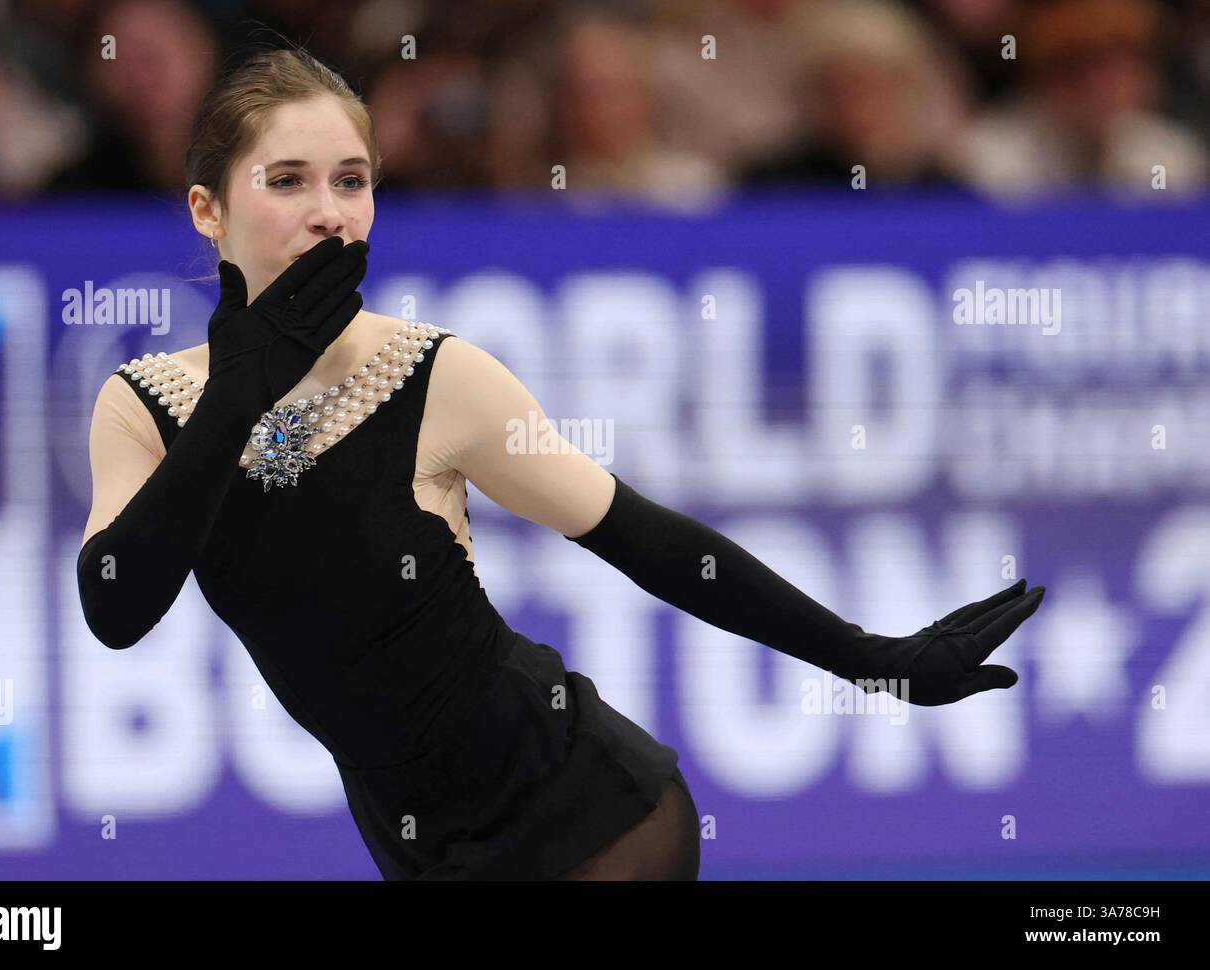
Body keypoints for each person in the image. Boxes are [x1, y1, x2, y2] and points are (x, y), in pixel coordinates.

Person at [76, 47, 1046, 881]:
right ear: (207, 209)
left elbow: (644, 539)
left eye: (352, 179)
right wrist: (241, 391)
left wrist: (870, 660)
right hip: (416, 842)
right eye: (286, 180)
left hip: (585, 810)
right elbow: (118, 607)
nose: (329, 212)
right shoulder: (144, 404)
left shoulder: (433, 374)